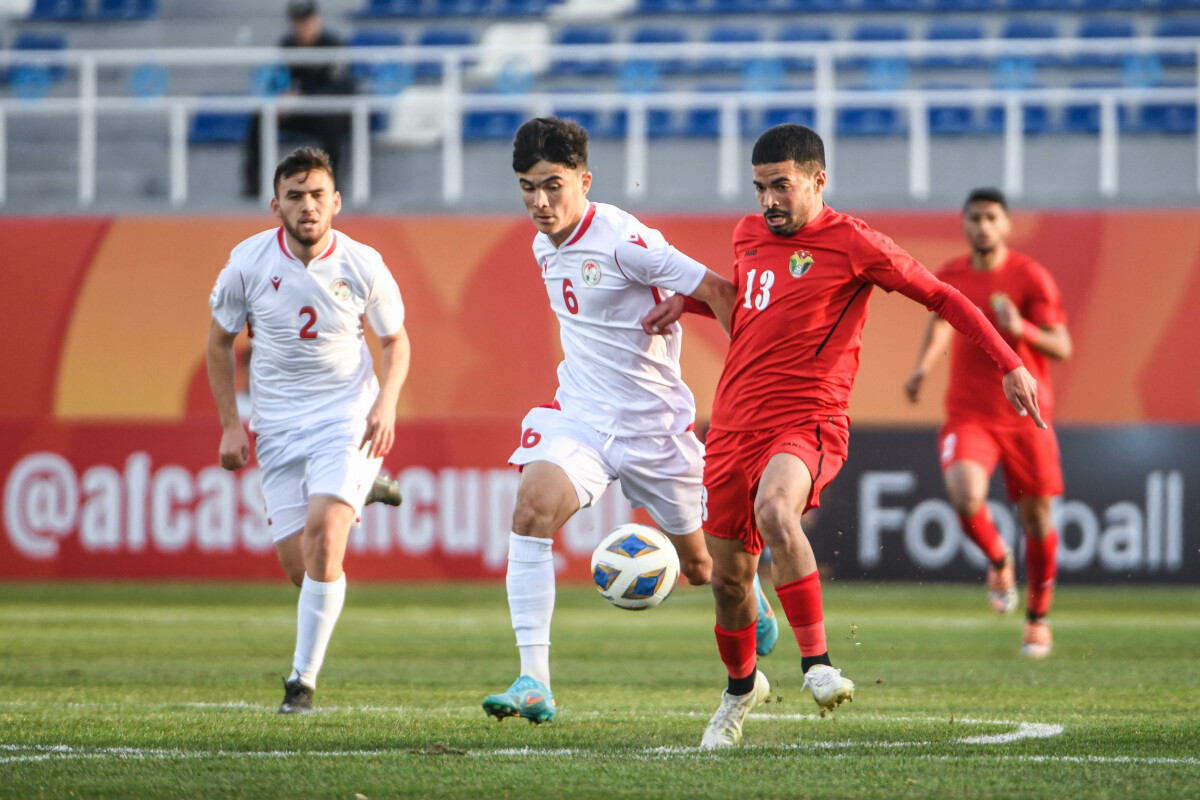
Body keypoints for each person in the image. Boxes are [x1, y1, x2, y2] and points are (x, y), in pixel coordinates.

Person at [643, 124, 1046, 749]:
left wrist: (1009, 362)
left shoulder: (854, 242)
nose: (768, 201)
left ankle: (817, 664)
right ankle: (740, 689)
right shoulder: (748, 234)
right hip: (730, 424)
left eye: (782, 186)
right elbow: (756, 304)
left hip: (808, 417)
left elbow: (942, 297)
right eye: (759, 188)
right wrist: (688, 305)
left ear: (817, 179)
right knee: (727, 582)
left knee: (777, 510)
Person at [480, 117, 778, 725]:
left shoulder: (623, 239)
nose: (540, 202)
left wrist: (748, 390)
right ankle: (533, 680)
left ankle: (755, 599)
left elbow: (722, 291)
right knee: (530, 511)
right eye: (527, 187)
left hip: (656, 433)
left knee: (704, 570)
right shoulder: (544, 244)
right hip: (582, 419)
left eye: (553, 186)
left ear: (585, 180)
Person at [207, 146, 411, 714]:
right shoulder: (246, 264)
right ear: (276, 205)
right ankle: (361, 485)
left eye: (317, 194)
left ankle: (301, 682)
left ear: (336, 202)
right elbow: (219, 342)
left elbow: (395, 341)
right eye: (295, 196)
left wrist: (387, 404)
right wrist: (231, 424)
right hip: (277, 427)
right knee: (304, 570)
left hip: (347, 414)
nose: (307, 205)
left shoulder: (363, 263)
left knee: (325, 535)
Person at [904, 188, 1071, 659]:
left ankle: (1037, 619)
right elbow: (941, 320)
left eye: (991, 218)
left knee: (1038, 519)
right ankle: (999, 558)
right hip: (970, 412)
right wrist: (923, 366)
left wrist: (1022, 330)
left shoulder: (1030, 277)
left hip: (1025, 416)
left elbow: (1062, 346)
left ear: (1006, 225)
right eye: (975, 218)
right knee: (964, 492)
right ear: (964, 223)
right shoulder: (952, 274)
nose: (983, 226)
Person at [242, 0, 355, 198]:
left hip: (326, 113)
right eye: (298, 22)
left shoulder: (333, 45)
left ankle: (330, 188)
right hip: (299, 114)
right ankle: (253, 185)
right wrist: (282, 98)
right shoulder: (288, 45)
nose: (302, 27)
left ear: (317, 20)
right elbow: (278, 79)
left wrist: (305, 96)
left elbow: (341, 86)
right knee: (261, 117)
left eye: (307, 21)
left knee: (332, 124)